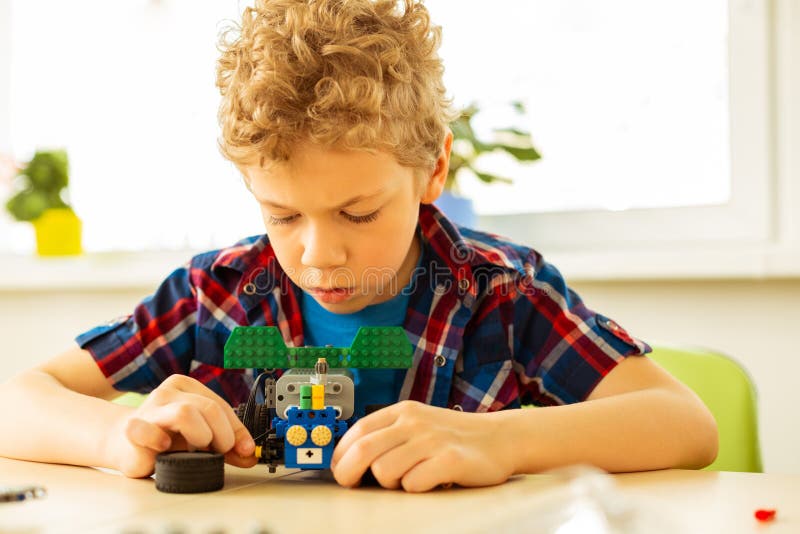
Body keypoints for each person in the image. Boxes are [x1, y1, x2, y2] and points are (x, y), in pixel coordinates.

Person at [0, 0, 717, 493]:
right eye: (283, 216)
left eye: (359, 212)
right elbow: (16, 400)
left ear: (432, 169)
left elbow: (685, 425)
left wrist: (500, 445)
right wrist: (120, 436)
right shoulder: (212, 299)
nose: (319, 254)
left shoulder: (498, 292)